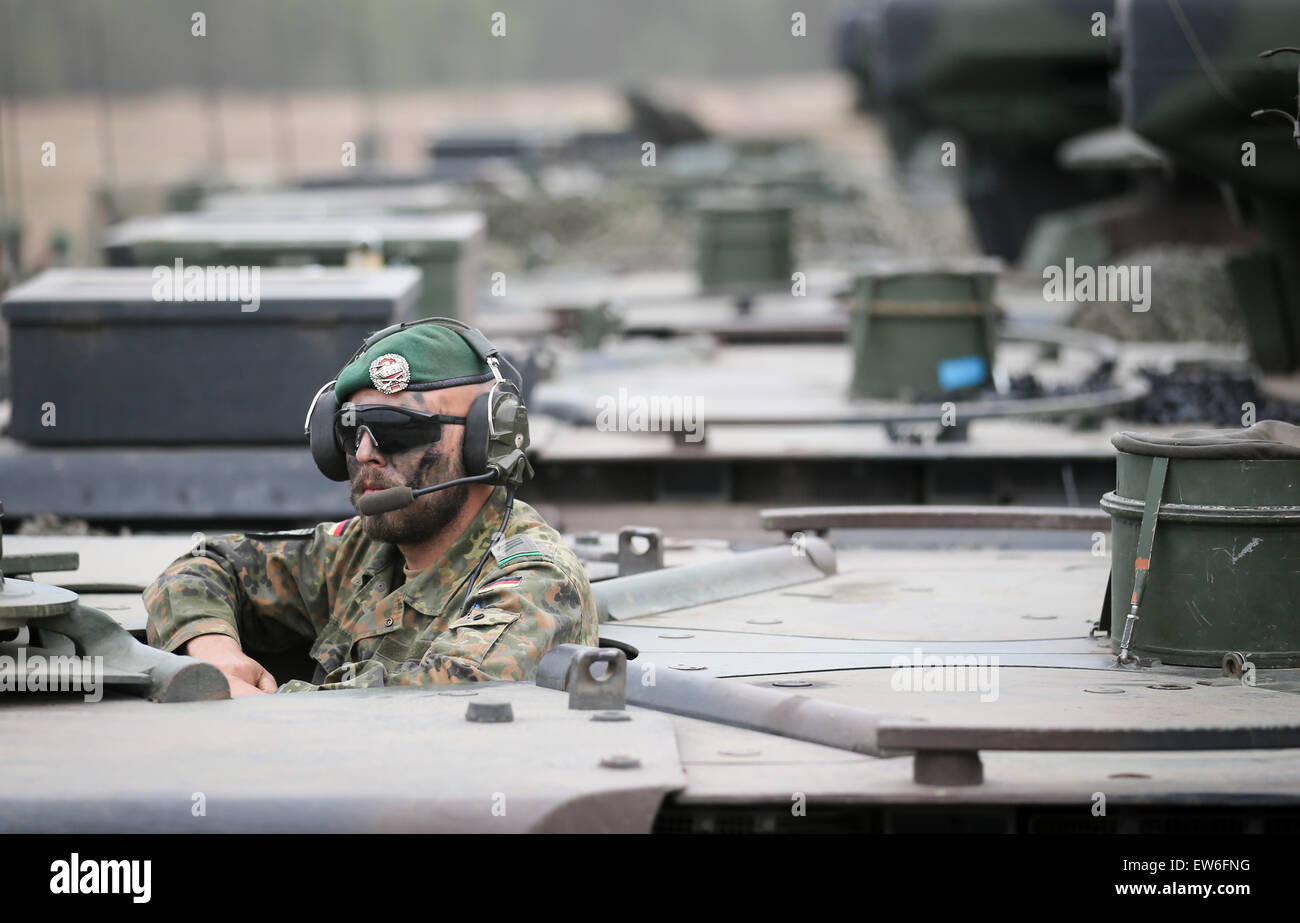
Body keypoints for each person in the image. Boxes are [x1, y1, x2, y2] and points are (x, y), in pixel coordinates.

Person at [144, 320, 598, 695]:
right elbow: (206, 566)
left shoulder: (534, 583)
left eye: (396, 430)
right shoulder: (361, 552)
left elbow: (425, 702)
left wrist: (248, 700)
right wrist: (215, 652)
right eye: (349, 431)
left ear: (486, 440)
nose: (364, 454)